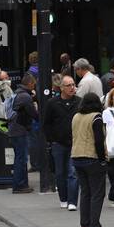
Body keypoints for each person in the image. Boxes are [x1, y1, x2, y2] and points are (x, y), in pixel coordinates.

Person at [71, 92, 109, 227]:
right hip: (92, 158)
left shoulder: (76, 117)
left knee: (85, 193)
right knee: (97, 193)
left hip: (76, 157)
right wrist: (102, 160)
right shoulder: (96, 118)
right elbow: (98, 141)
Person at [41, 75, 80, 210]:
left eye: (73, 85)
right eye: (68, 85)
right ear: (62, 88)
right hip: (58, 143)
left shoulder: (79, 102)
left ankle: (72, 201)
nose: (72, 88)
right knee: (60, 172)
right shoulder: (53, 103)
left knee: (72, 172)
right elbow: (46, 124)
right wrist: (52, 139)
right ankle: (63, 198)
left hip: (75, 143)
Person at [6, 73, 38, 194]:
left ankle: (21, 184)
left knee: (19, 158)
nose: (34, 86)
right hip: (20, 130)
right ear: (29, 83)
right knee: (21, 158)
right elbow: (33, 113)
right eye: (33, 84)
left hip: (14, 129)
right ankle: (19, 185)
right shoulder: (25, 96)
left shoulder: (18, 93)